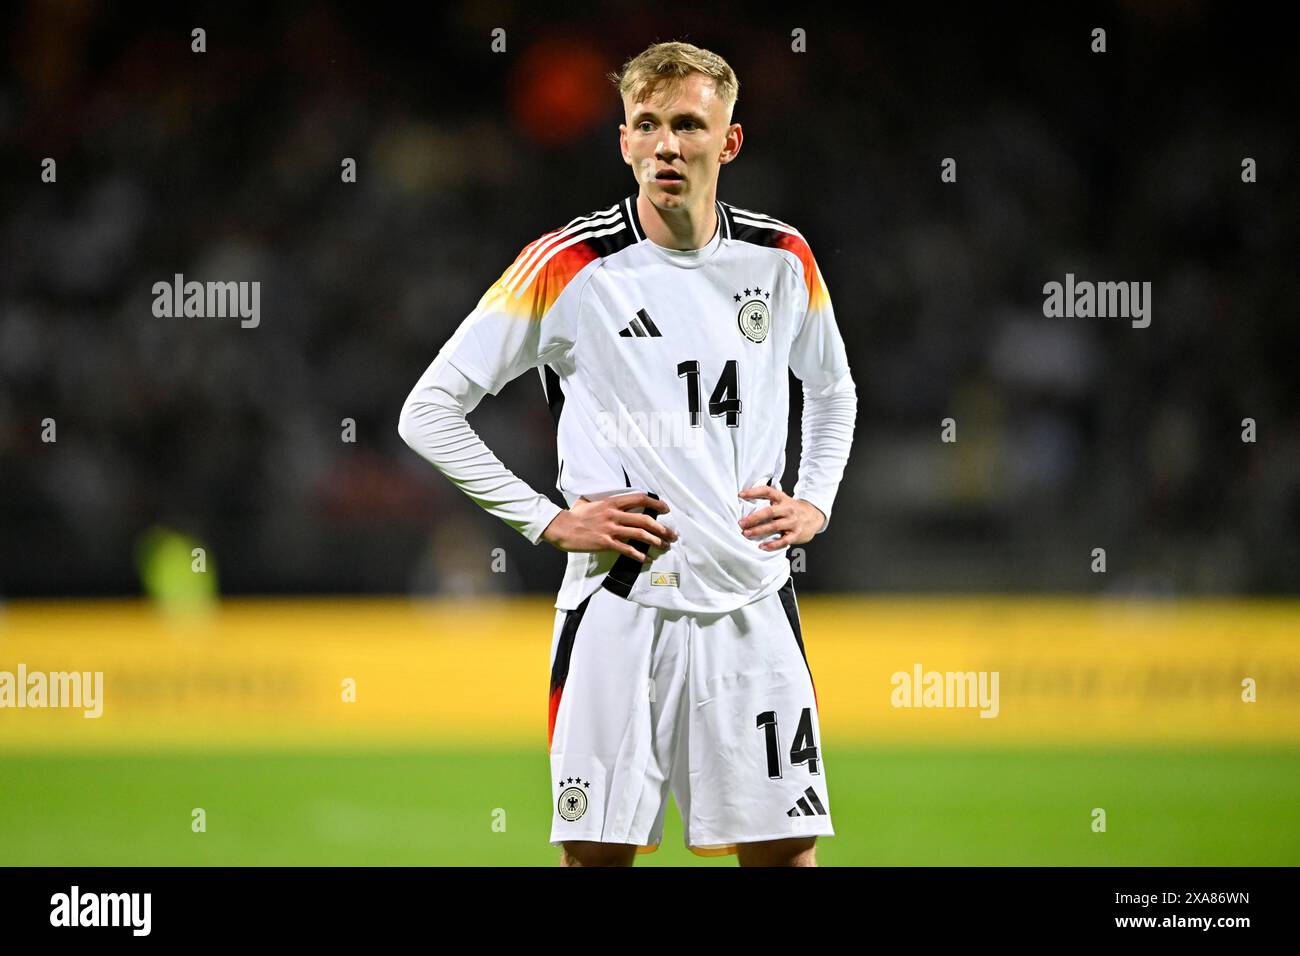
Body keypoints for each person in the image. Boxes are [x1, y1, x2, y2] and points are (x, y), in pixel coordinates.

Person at [399, 41, 856, 866]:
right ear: (622, 141)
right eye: (646, 124)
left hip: (751, 604)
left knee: (785, 855)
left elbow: (832, 390)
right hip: (618, 608)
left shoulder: (782, 259)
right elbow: (428, 411)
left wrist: (815, 497)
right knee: (596, 857)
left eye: (688, 124)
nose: (667, 145)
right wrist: (544, 521)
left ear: (730, 141)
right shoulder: (569, 265)